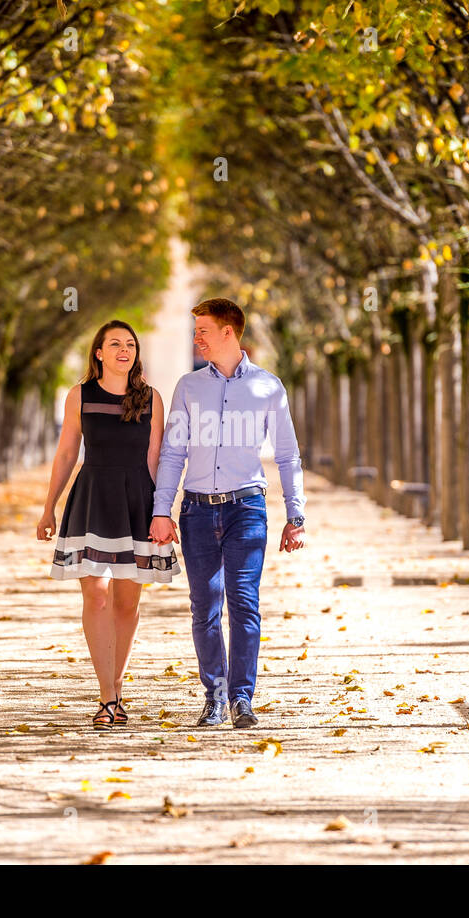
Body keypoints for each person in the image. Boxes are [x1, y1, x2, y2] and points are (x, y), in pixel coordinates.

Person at [149, 298, 306, 730]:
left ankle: (242, 699)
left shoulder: (268, 387)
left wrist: (296, 515)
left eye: (203, 330)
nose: (196, 338)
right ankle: (214, 697)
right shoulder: (188, 387)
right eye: (194, 330)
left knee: (244, 603)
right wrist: (162, 510)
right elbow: (173, 452)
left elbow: (289, 455)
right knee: (205, 606)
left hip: (247, 507)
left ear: (228, 333)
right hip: (197, 511)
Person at [37, 320, 180, 730]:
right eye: (114, 343)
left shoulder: (151, 398)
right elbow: (66, 453)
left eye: (130, 344)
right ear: (98, 353)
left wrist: (162, 511)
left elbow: (157, 459)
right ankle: (107, 697)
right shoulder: (79, 395)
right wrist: (49, 507)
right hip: (93, 498)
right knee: (96, 596)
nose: (124, 350)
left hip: (137, 500)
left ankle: (116, 690)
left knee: (126, 603)